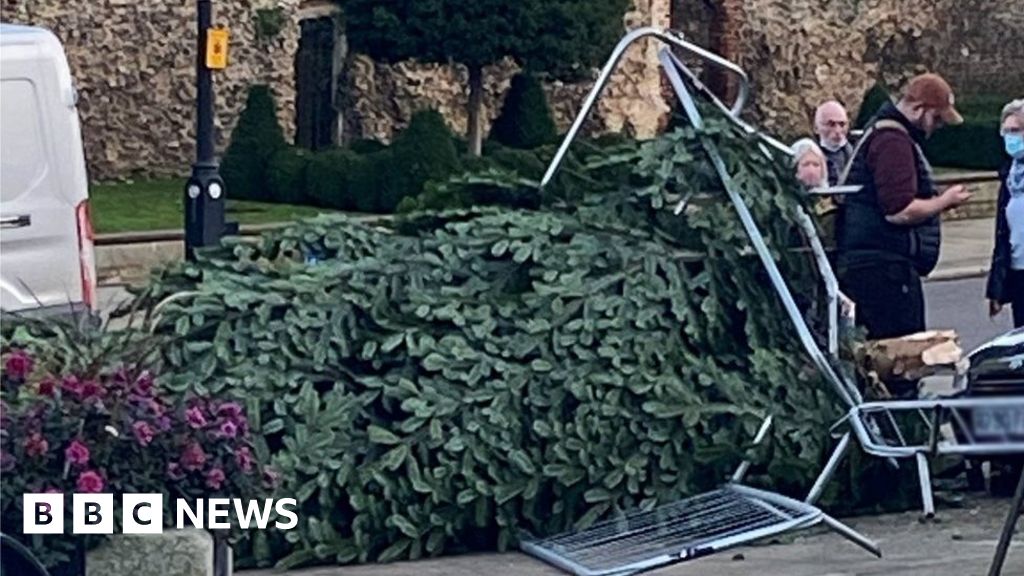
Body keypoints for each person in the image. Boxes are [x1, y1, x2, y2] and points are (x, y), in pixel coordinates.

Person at [836, 73, 972, 347]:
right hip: (884, 270)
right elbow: (899, 210)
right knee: (899, 355)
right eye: (936, 118)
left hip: (873, 264)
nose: (936, 128)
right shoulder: (892, 142)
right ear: (918, 108)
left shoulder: (883, 133)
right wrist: (945, 201)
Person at [986, 98, 1024, 328]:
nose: (1011, 137)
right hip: (1019, 273)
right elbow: (1002, 235)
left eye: (1017, 130)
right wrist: (996, 288)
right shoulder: (1010, 177)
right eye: (1007, 131)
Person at [814, 100, 854, 185]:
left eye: (842, 124)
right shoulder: (809, 157)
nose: (838, 131)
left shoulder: (857, 156)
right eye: (831, 124)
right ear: (816, 128)